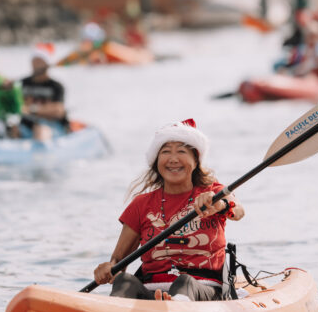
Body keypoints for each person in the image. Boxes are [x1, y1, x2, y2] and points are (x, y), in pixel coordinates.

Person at [92, 119, 245, 302]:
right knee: (124, 281)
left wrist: (219, 204)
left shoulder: (212, 192)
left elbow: (238, 211)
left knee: (184, 281)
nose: (173, 159)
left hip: (202, 289)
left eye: (181, 151)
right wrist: (107, 270)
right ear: (157, 162)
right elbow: (117, 263)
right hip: (151, 292)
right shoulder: (141, 204)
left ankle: (176, 309)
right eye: (165, 152)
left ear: (195, 161)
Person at [19, 42, 69, 141]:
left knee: (41, 131)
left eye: (39, 62)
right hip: (27, 125)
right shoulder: (22, 83)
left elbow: (58, 110)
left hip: (50, 126)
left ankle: (40, 154)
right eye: (34, 62)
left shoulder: (56, 86)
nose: (36, 65)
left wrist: (32, 109)